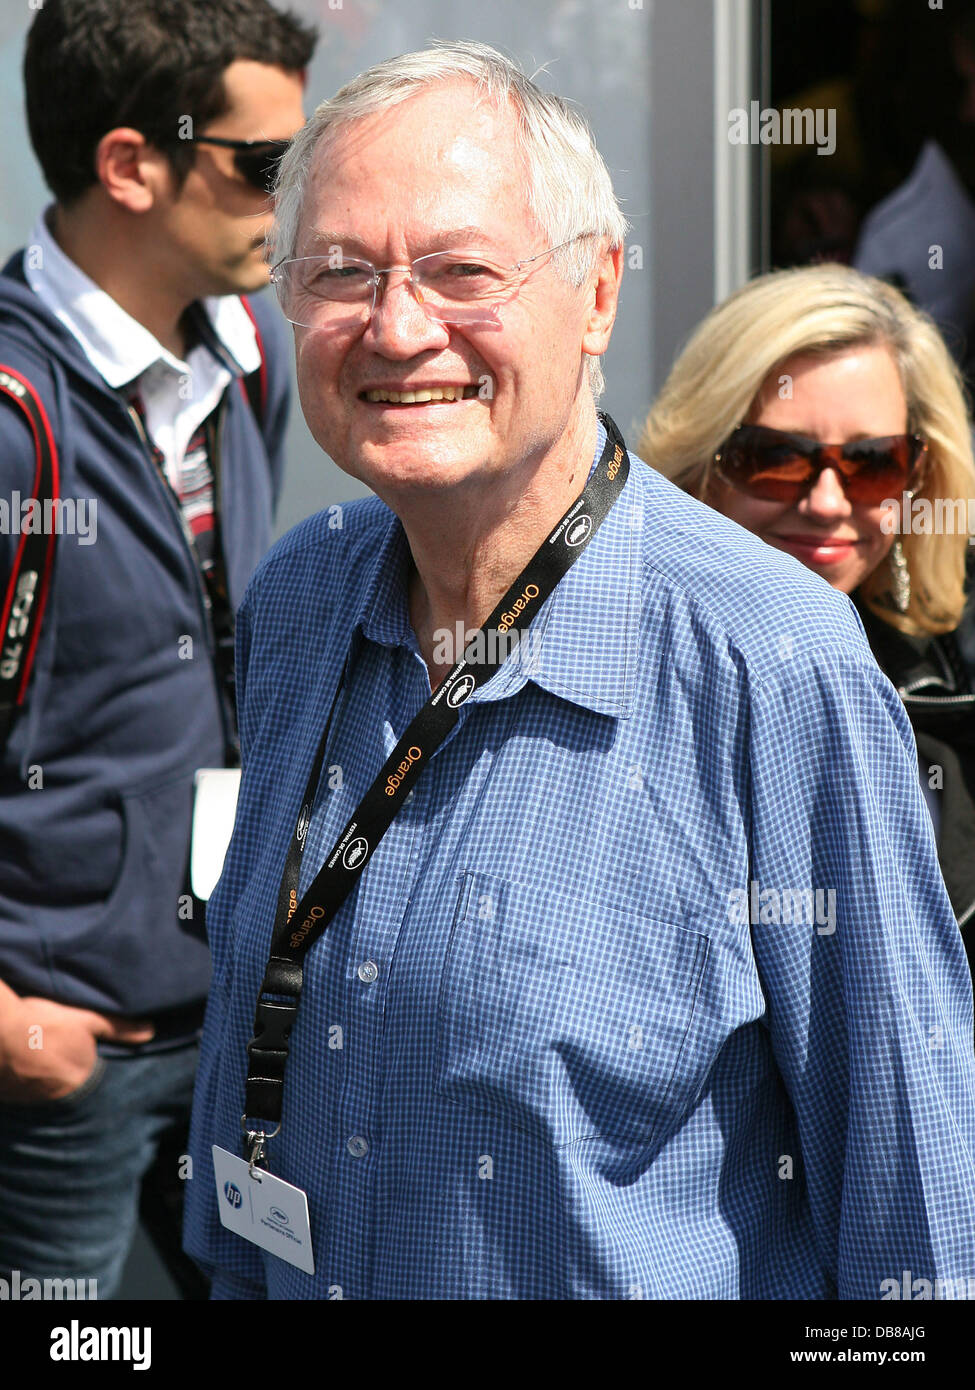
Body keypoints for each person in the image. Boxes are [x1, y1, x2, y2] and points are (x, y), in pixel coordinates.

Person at [185, 42, 975, 1300]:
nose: (396, 326)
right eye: (340, 271)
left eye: (460, 270)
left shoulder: (774, 666)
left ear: (598, 292)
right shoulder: (300, 595)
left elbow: (913, 1212)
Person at [0, 0, 316, 1299]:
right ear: (132, 165)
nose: (285, 203)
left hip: (232, 1025)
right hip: (60, 1059)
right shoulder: (15, 424)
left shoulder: (246, 355)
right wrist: (13, 1028)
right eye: (260, 165)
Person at [640, 263, 975, 958]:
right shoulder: (608, 690)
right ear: (700, 468)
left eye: (870, 461)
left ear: (916, 479)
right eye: (774, 457)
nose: (826, 503)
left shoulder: (941, 720)